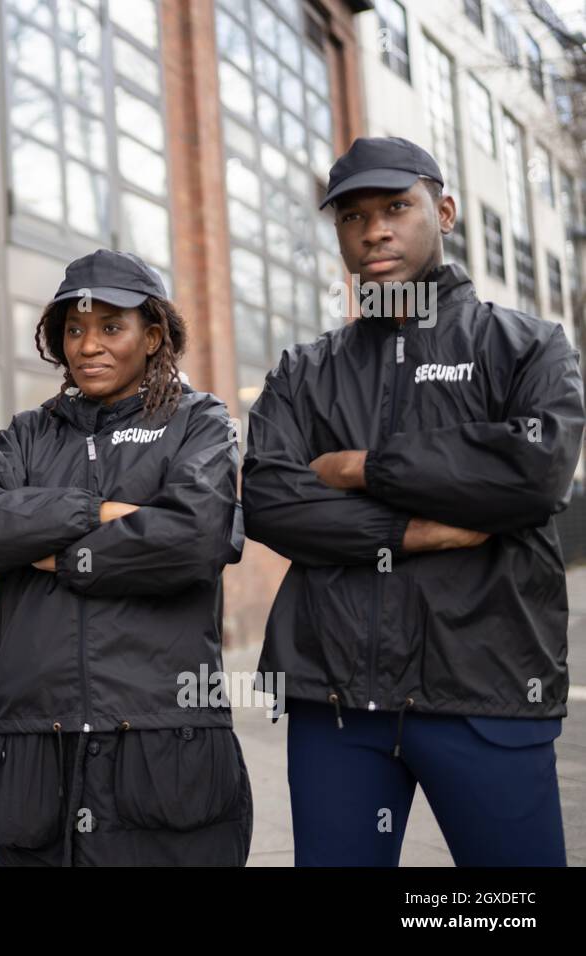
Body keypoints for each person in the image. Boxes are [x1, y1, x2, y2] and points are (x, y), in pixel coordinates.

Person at [242, 136, 585, 866]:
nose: (375, 231)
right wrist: (411, 532)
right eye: (353, 217)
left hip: (486, 688)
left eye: (397, 206)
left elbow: (534, 473)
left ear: (446, 210)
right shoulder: (305, 371)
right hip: (336, 704)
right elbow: (270, 500)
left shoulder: (525, 346)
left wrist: (364, 467)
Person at [0, 249, 251, 866]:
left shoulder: (199, 422)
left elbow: (194, 535)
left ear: (153, 334)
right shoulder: (27, 434)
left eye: (112, 326)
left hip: (162, 745)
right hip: (35, 751)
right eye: (75, 329)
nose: (88, 345)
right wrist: (99, 511)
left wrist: (52, 554)